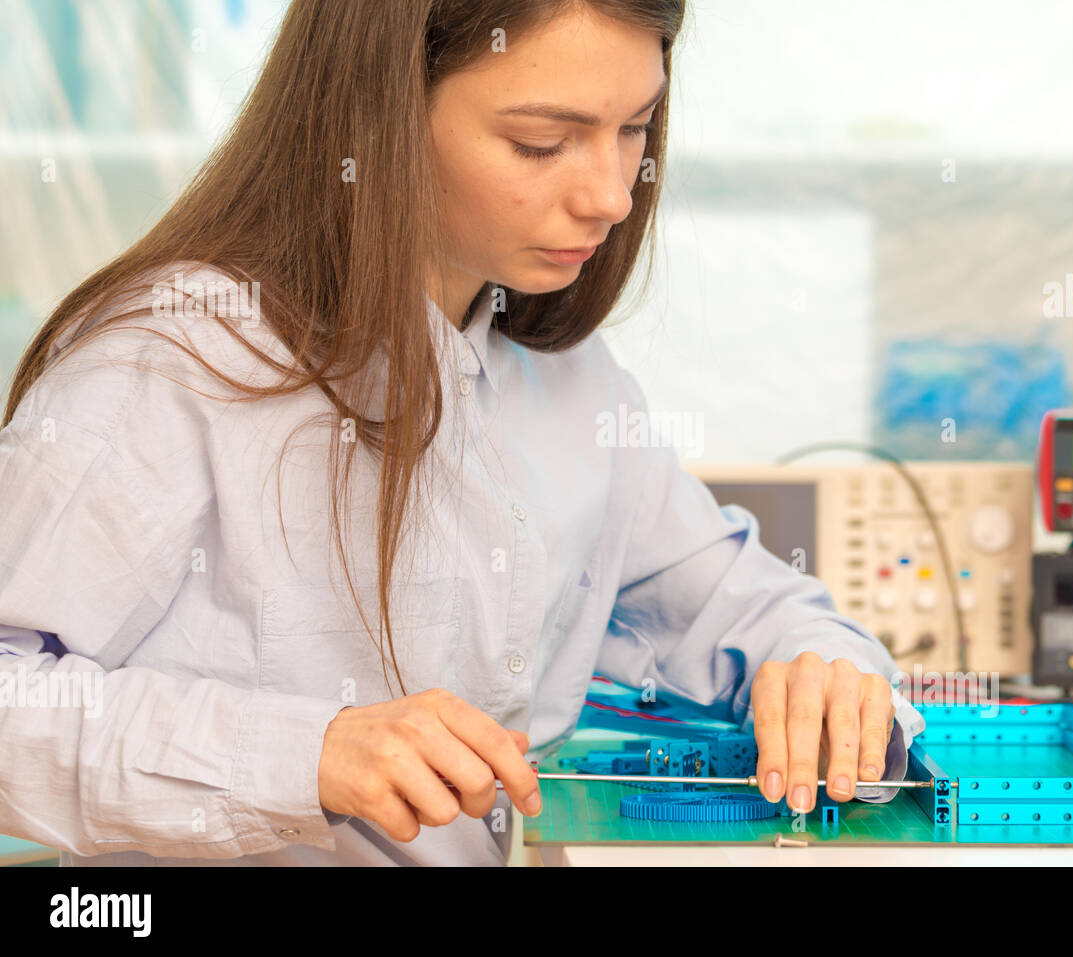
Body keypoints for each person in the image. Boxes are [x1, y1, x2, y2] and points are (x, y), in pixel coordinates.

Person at [0, 0, 921, 866]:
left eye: (634, 129)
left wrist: (826, 671)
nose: (611, 195)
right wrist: (306, 752)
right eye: (541, 142)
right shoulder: (169, 360)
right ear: (379, 118)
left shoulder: (573, 386)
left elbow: (744, 604)